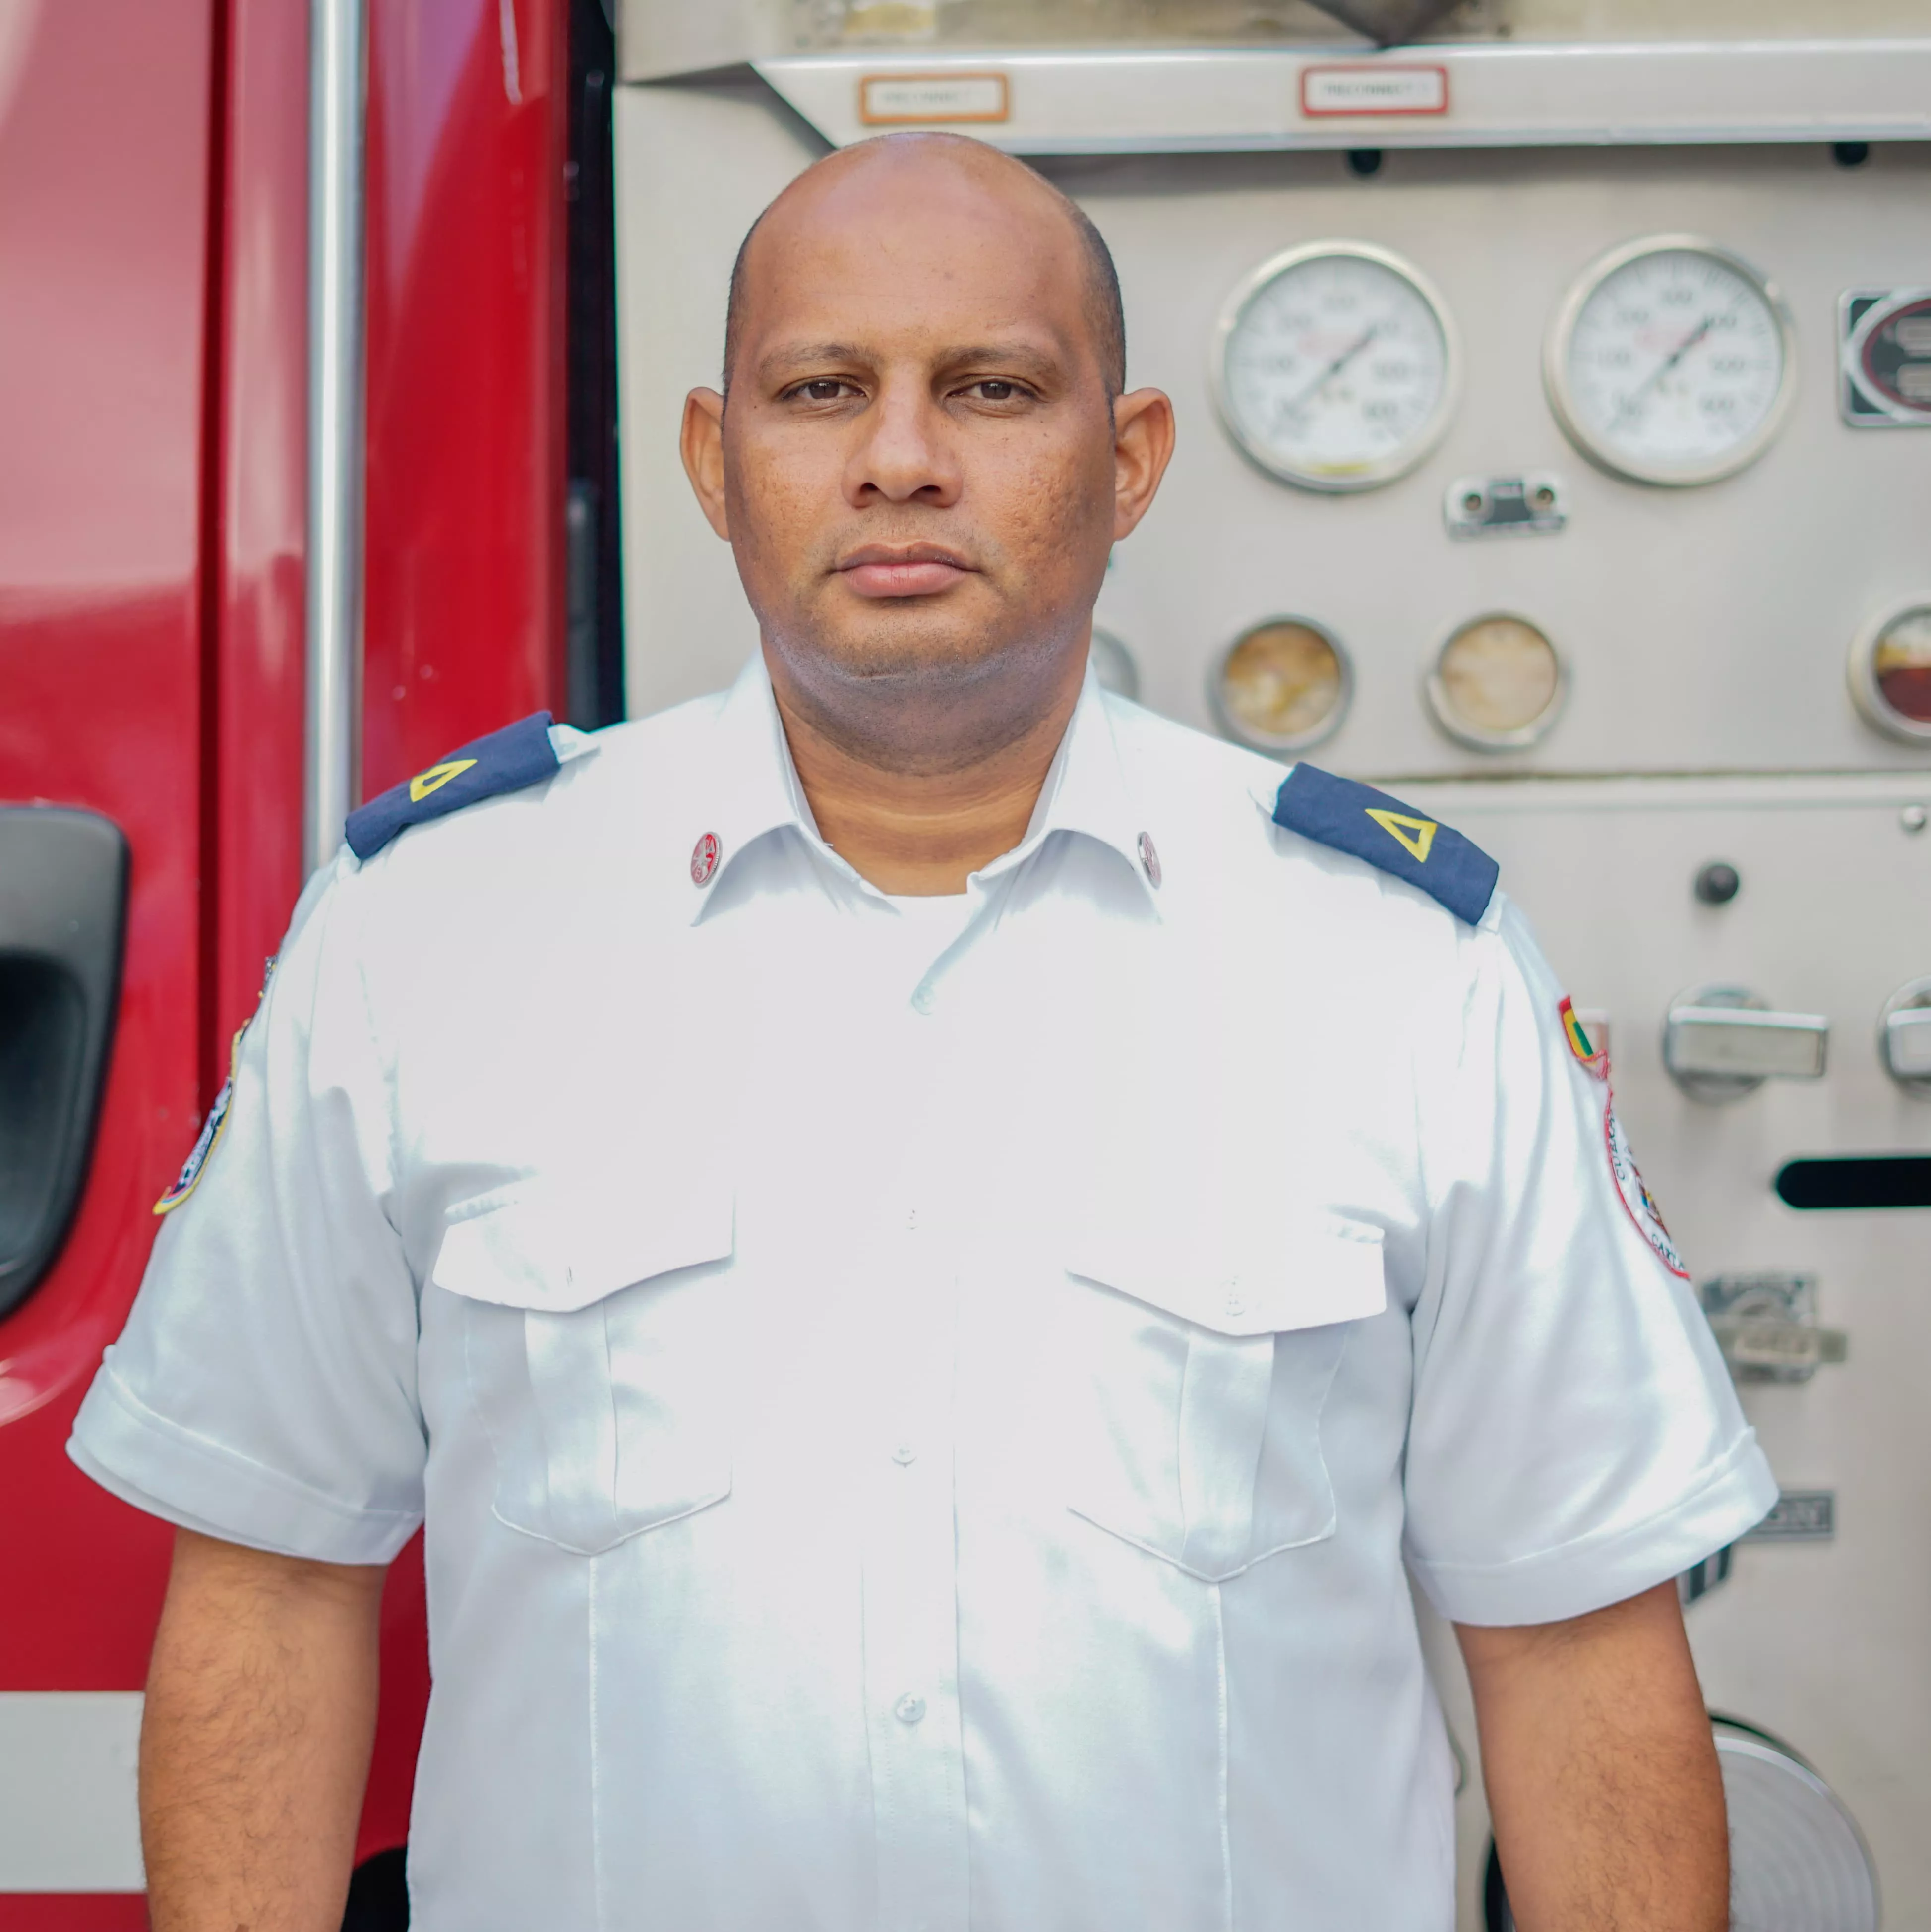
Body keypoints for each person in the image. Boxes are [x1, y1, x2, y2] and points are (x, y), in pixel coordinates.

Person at [72, 132, 1773, 1932]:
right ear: (713, 462)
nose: (899, 459)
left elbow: (1573, 1638)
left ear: (1128, 462)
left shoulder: (1396, 966)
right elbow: (272, 1583)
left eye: (990, 389)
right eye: (822, 391)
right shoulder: (430, 936)